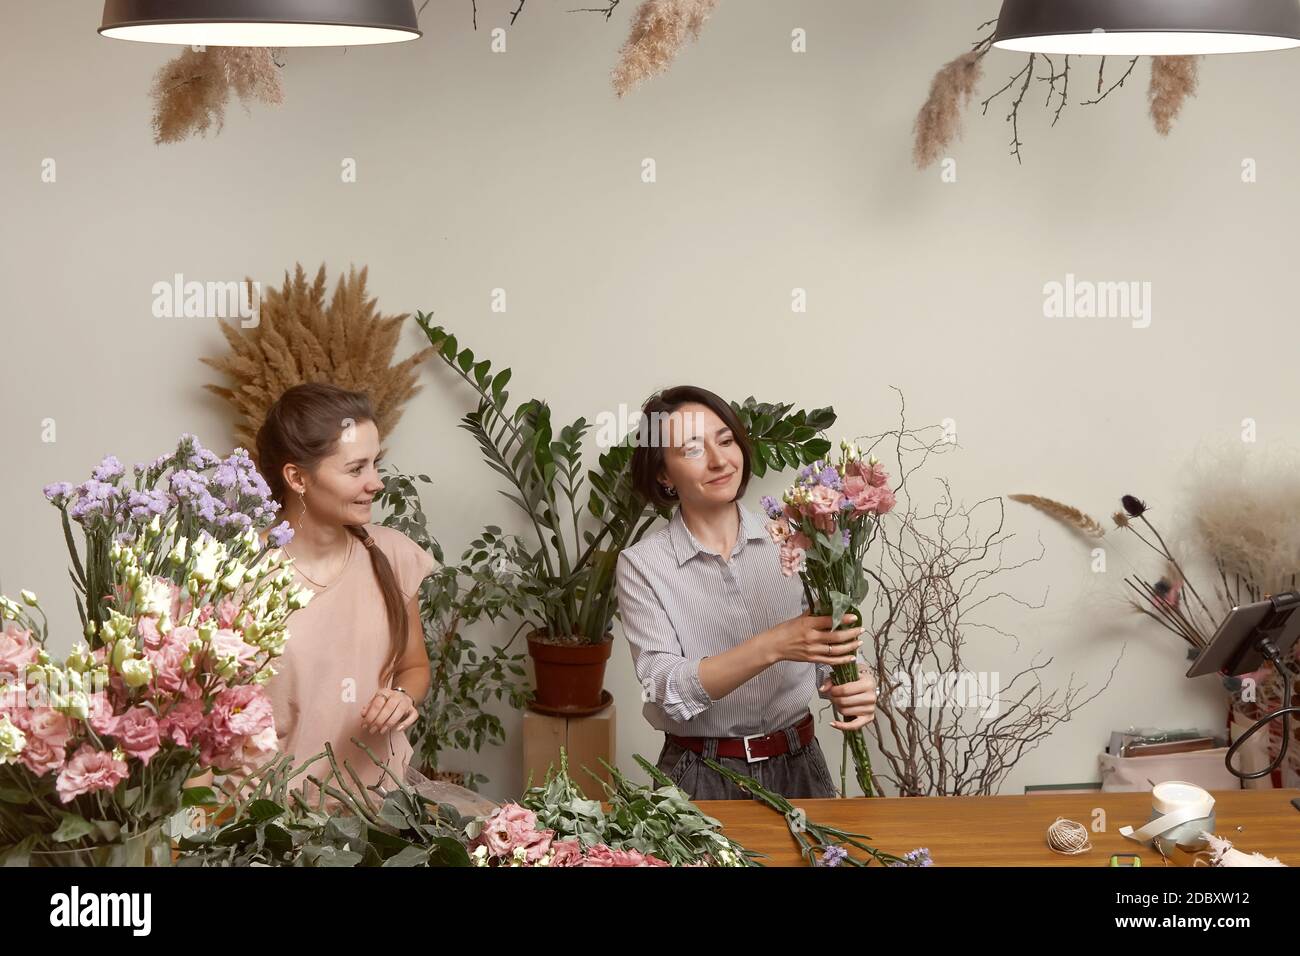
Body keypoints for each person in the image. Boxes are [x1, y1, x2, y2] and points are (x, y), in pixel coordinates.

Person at [615, 385, 877, 800]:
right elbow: (665, 689)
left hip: (800, 765)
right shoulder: (643, 565)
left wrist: (856, 682)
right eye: (693, 449)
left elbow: (831, 646)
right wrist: (771, 645)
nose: (720, 460)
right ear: (664, 473)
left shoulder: (796, 537)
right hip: (699, 776)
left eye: (726, 440)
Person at [247, 382, 435, 796]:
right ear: (297, 477)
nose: (377, 483)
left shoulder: (394, 556)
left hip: (378, 814)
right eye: (356, 469)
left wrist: (402, 698)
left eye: (375, 464)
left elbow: (414, 668)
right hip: (265, 822)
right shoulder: (236, 574)